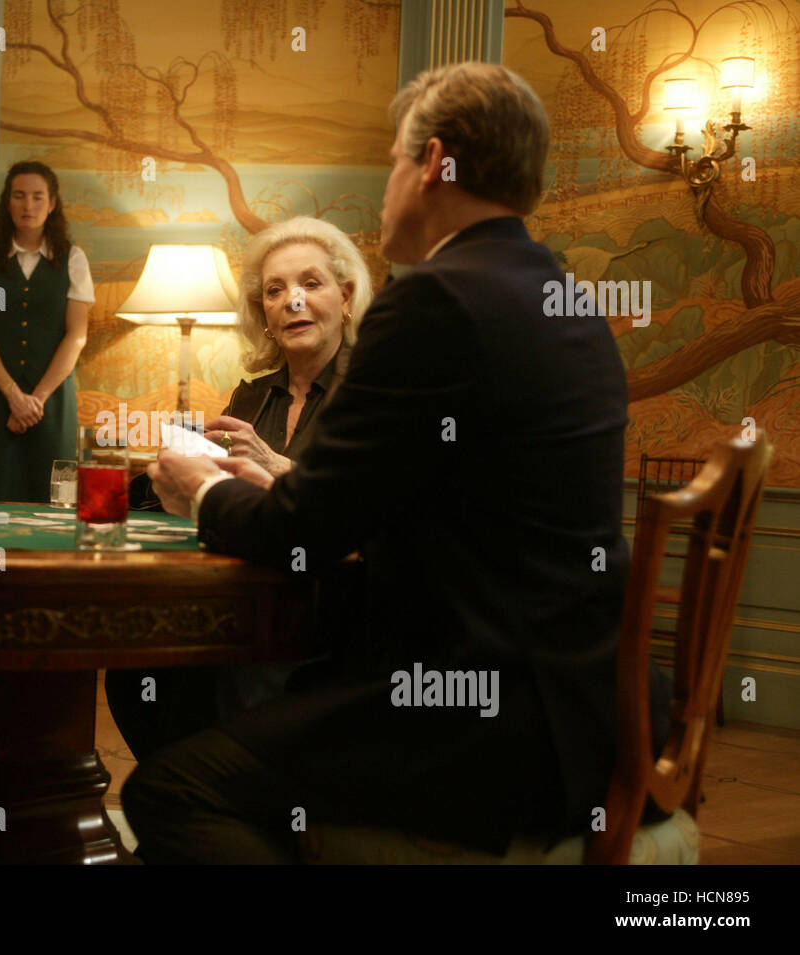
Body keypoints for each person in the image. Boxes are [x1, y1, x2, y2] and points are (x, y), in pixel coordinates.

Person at [127, 61, 673, 863]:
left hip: (486, 724)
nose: (386, 182)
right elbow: (434, 504)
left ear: (432, 164)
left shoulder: (436, 300)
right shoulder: (561, 295)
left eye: (390, 161)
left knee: (170, 786)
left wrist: (200, 485)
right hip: (588, 705)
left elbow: (303, 530)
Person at [110, 216, 373, 761]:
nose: (291, 301)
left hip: (326, 612)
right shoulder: (251, 396)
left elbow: (368, 510)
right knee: (133, 668)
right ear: (264, 316)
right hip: (235, 600)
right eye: (275, 292)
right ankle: (192, 811)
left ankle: (220, 806)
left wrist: (275, 465)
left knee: (226, 682)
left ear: (346, 298)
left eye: (311, 284)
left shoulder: (373, 392)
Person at [0, 161, 93, 502]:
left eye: (38, 197)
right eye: (19, 196)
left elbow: (76, 336)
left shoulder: (73, 259)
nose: (28, 206)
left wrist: (35, 401)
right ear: (8, 202)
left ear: (52, 204)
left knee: (56, 498)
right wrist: (13, 396)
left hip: (53, 404)